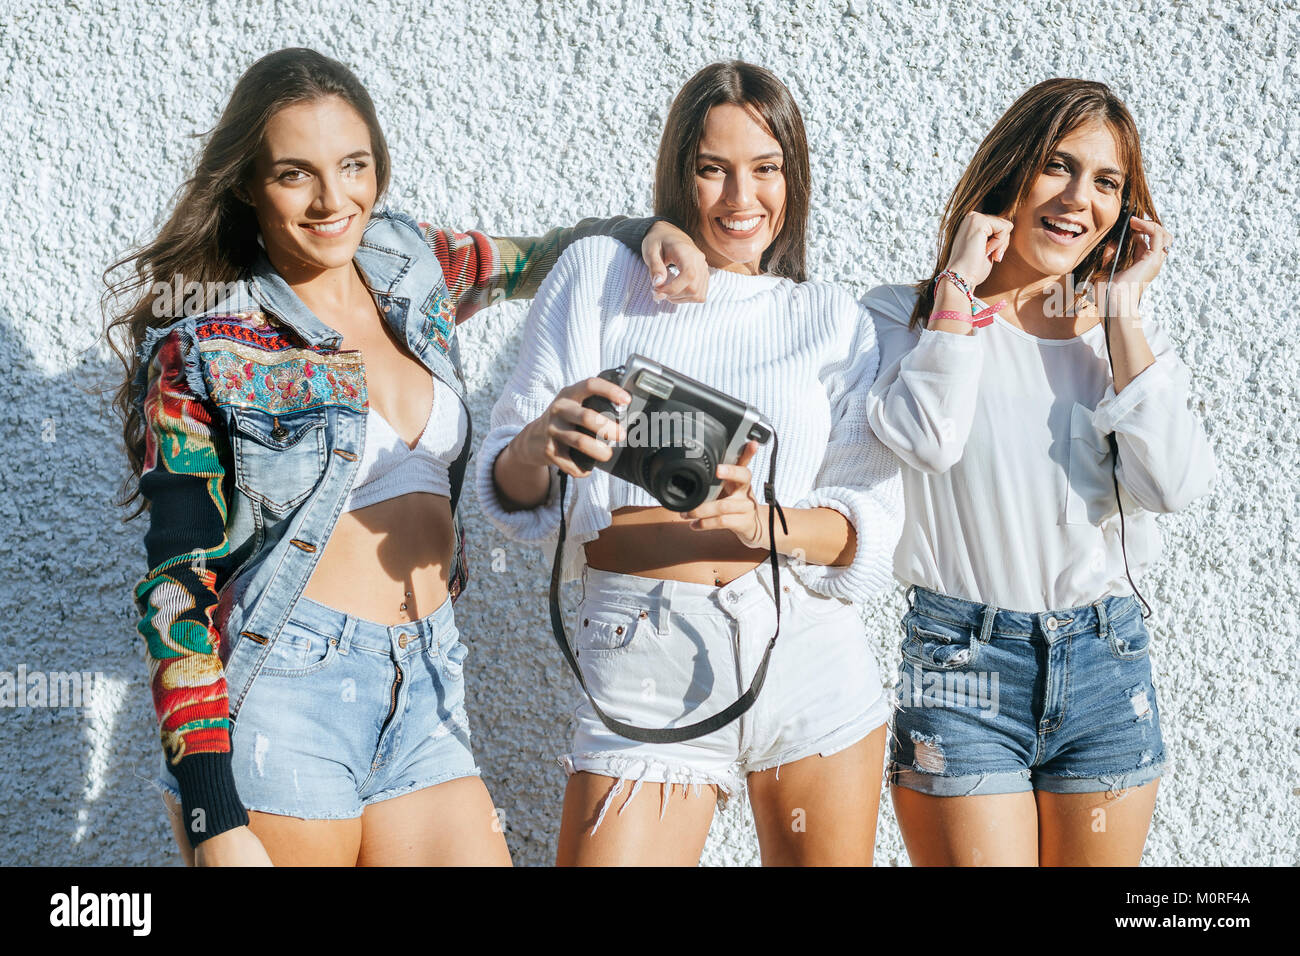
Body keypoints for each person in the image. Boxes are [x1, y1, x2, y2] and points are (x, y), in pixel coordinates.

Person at [105, 47, 708, 866]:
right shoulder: (205, 344)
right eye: (295, 174)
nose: (333, 200)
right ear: (247, 183)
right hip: (289, 688)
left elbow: (534, 260)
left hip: (425, 677)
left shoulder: (407, 261)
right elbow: (174, 593)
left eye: (354, 166)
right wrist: (216, 817)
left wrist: (645, 233)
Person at [477, 61, 903, 866]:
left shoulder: (833, 319)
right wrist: (538, 443)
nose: (742, 199)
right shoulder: (601, 276)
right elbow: (505, 483)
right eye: (713, 169)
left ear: (794, 177)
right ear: (680, 174)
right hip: (644, 645)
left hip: (806, 649)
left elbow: (869, 523)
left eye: (766, 169)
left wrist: (764, 520)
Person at [862, 78, 1216, 866]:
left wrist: (1122, 310)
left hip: (1103, 659)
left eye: (1106, 181)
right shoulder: (902, 320)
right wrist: (958, 290)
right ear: (1013, 170)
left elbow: (1175, 487)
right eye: (1057, 166)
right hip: (963, 664)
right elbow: (929, 438)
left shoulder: (1115, 342)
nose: (1077, 198)